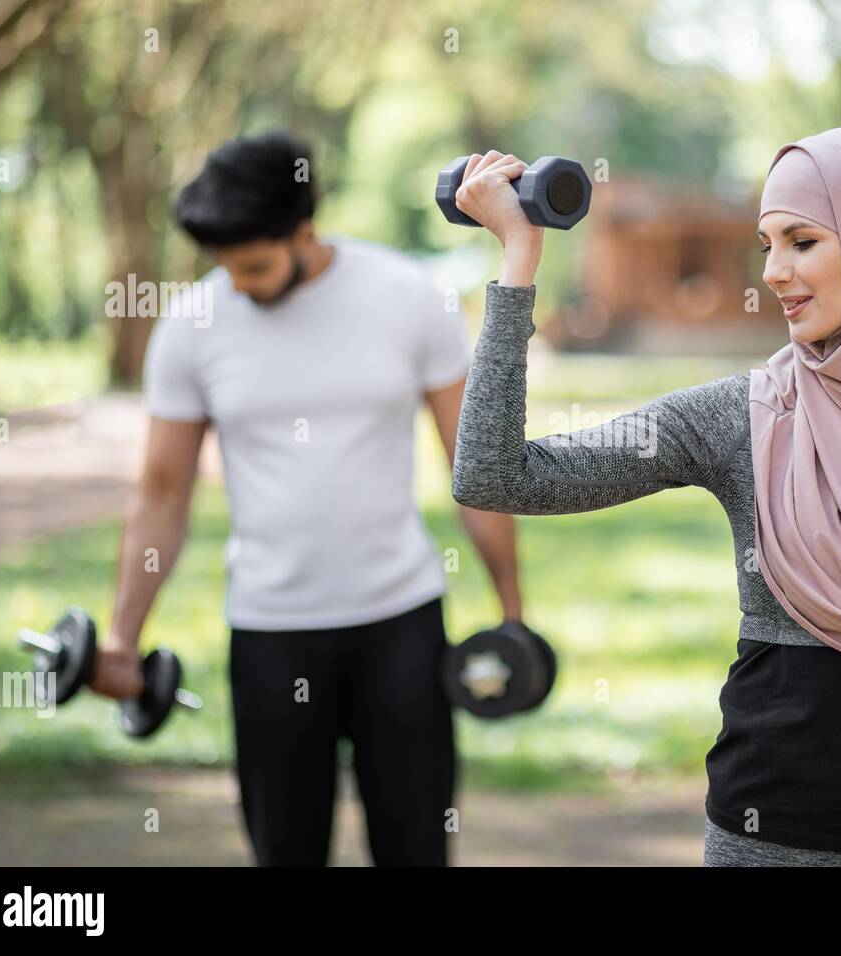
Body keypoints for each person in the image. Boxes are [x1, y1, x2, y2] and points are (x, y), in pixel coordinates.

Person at [449, 129, 841, 866]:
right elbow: (494, 476)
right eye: (766, 245)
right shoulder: (741, 418)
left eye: (802, 241)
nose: (776, 273)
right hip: (767, 841)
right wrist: (516, 265)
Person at [89, 131, 526, 866]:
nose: (239, 284)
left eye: (255, 265)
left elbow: (473, 469)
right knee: (284, 852)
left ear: (305, 230)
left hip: (402, 624)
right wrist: (122, 637)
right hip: (269, 631)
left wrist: (513, 614)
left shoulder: (408, 297)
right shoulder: (192, 325)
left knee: (416, 848)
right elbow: (161, 496)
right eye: (225, 267)